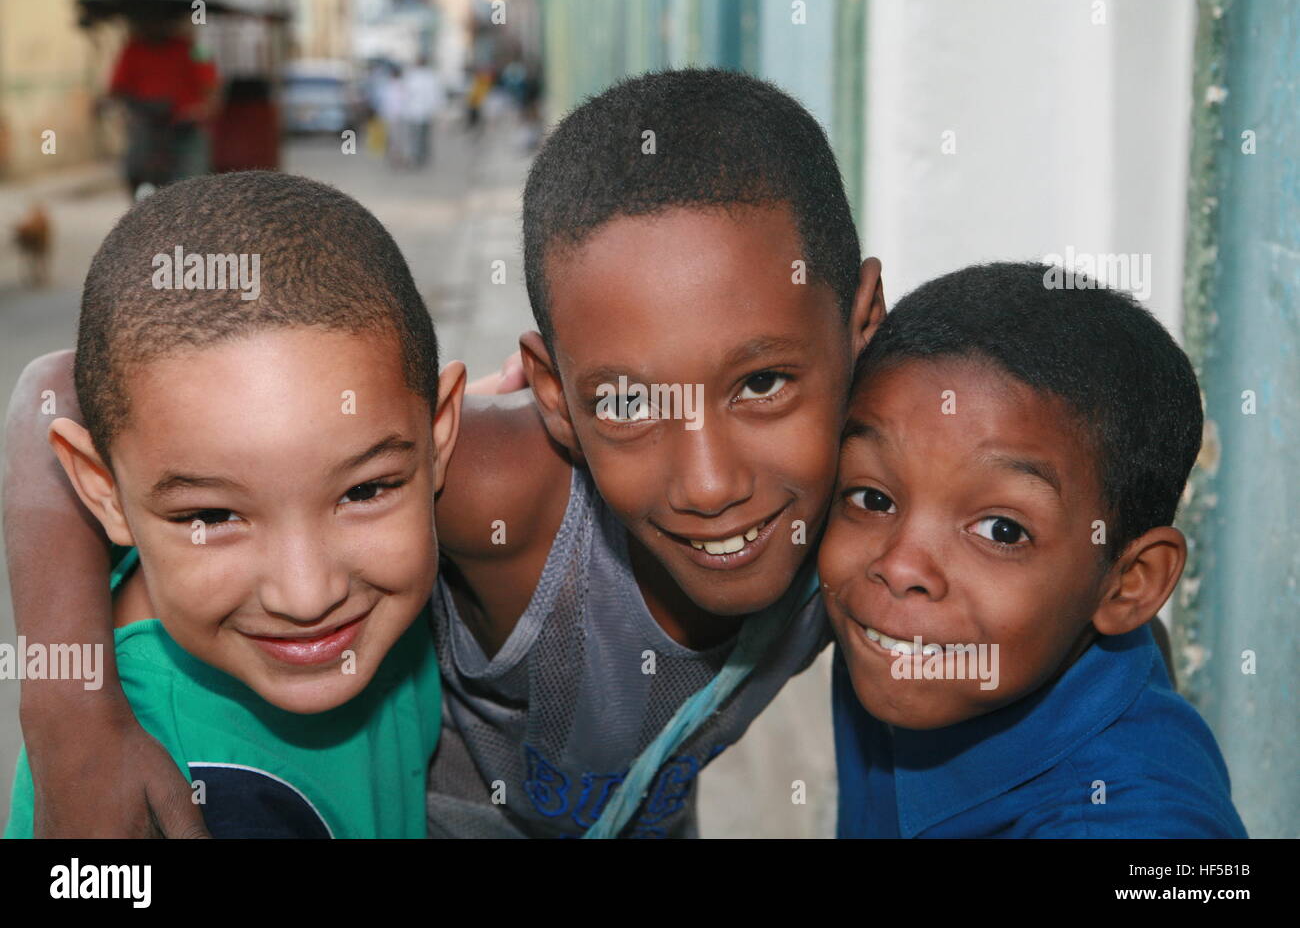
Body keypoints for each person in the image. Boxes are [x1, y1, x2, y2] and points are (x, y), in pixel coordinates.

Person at [6, 69, 884, 838]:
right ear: (554, 396)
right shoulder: (489, 487)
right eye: (625, 399)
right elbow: (65, 387)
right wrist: (70, 710)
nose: (711, 483)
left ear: (862, 331)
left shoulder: (904, 489)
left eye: (763, 384)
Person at [3, 172, 465, 837]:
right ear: (102, 489)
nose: (307, 596)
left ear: (440, 433)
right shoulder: (169, 801)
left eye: (364, 491)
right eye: (211, 517)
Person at [819, 262, 1248, 838]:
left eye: (1001, 531)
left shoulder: (1127, 822)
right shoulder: (922, 644)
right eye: (873, 497)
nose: (898, 566)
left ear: (1131, 583)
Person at [107, 13, 219, 197]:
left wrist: (200, 111)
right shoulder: (132, 49)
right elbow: (116, 90)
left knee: (194, 182)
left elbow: (212, 88)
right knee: (133, 169)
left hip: (184, 127)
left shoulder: (194, 47)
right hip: (147, 126)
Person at [401, 57, 444, 168]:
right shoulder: (420, 76)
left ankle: (419, 157)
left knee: (419, 137)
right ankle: (418, 157)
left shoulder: (421, 76)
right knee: (419, 137)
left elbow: (435, 95)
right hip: (418, 112)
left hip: (420, 112)